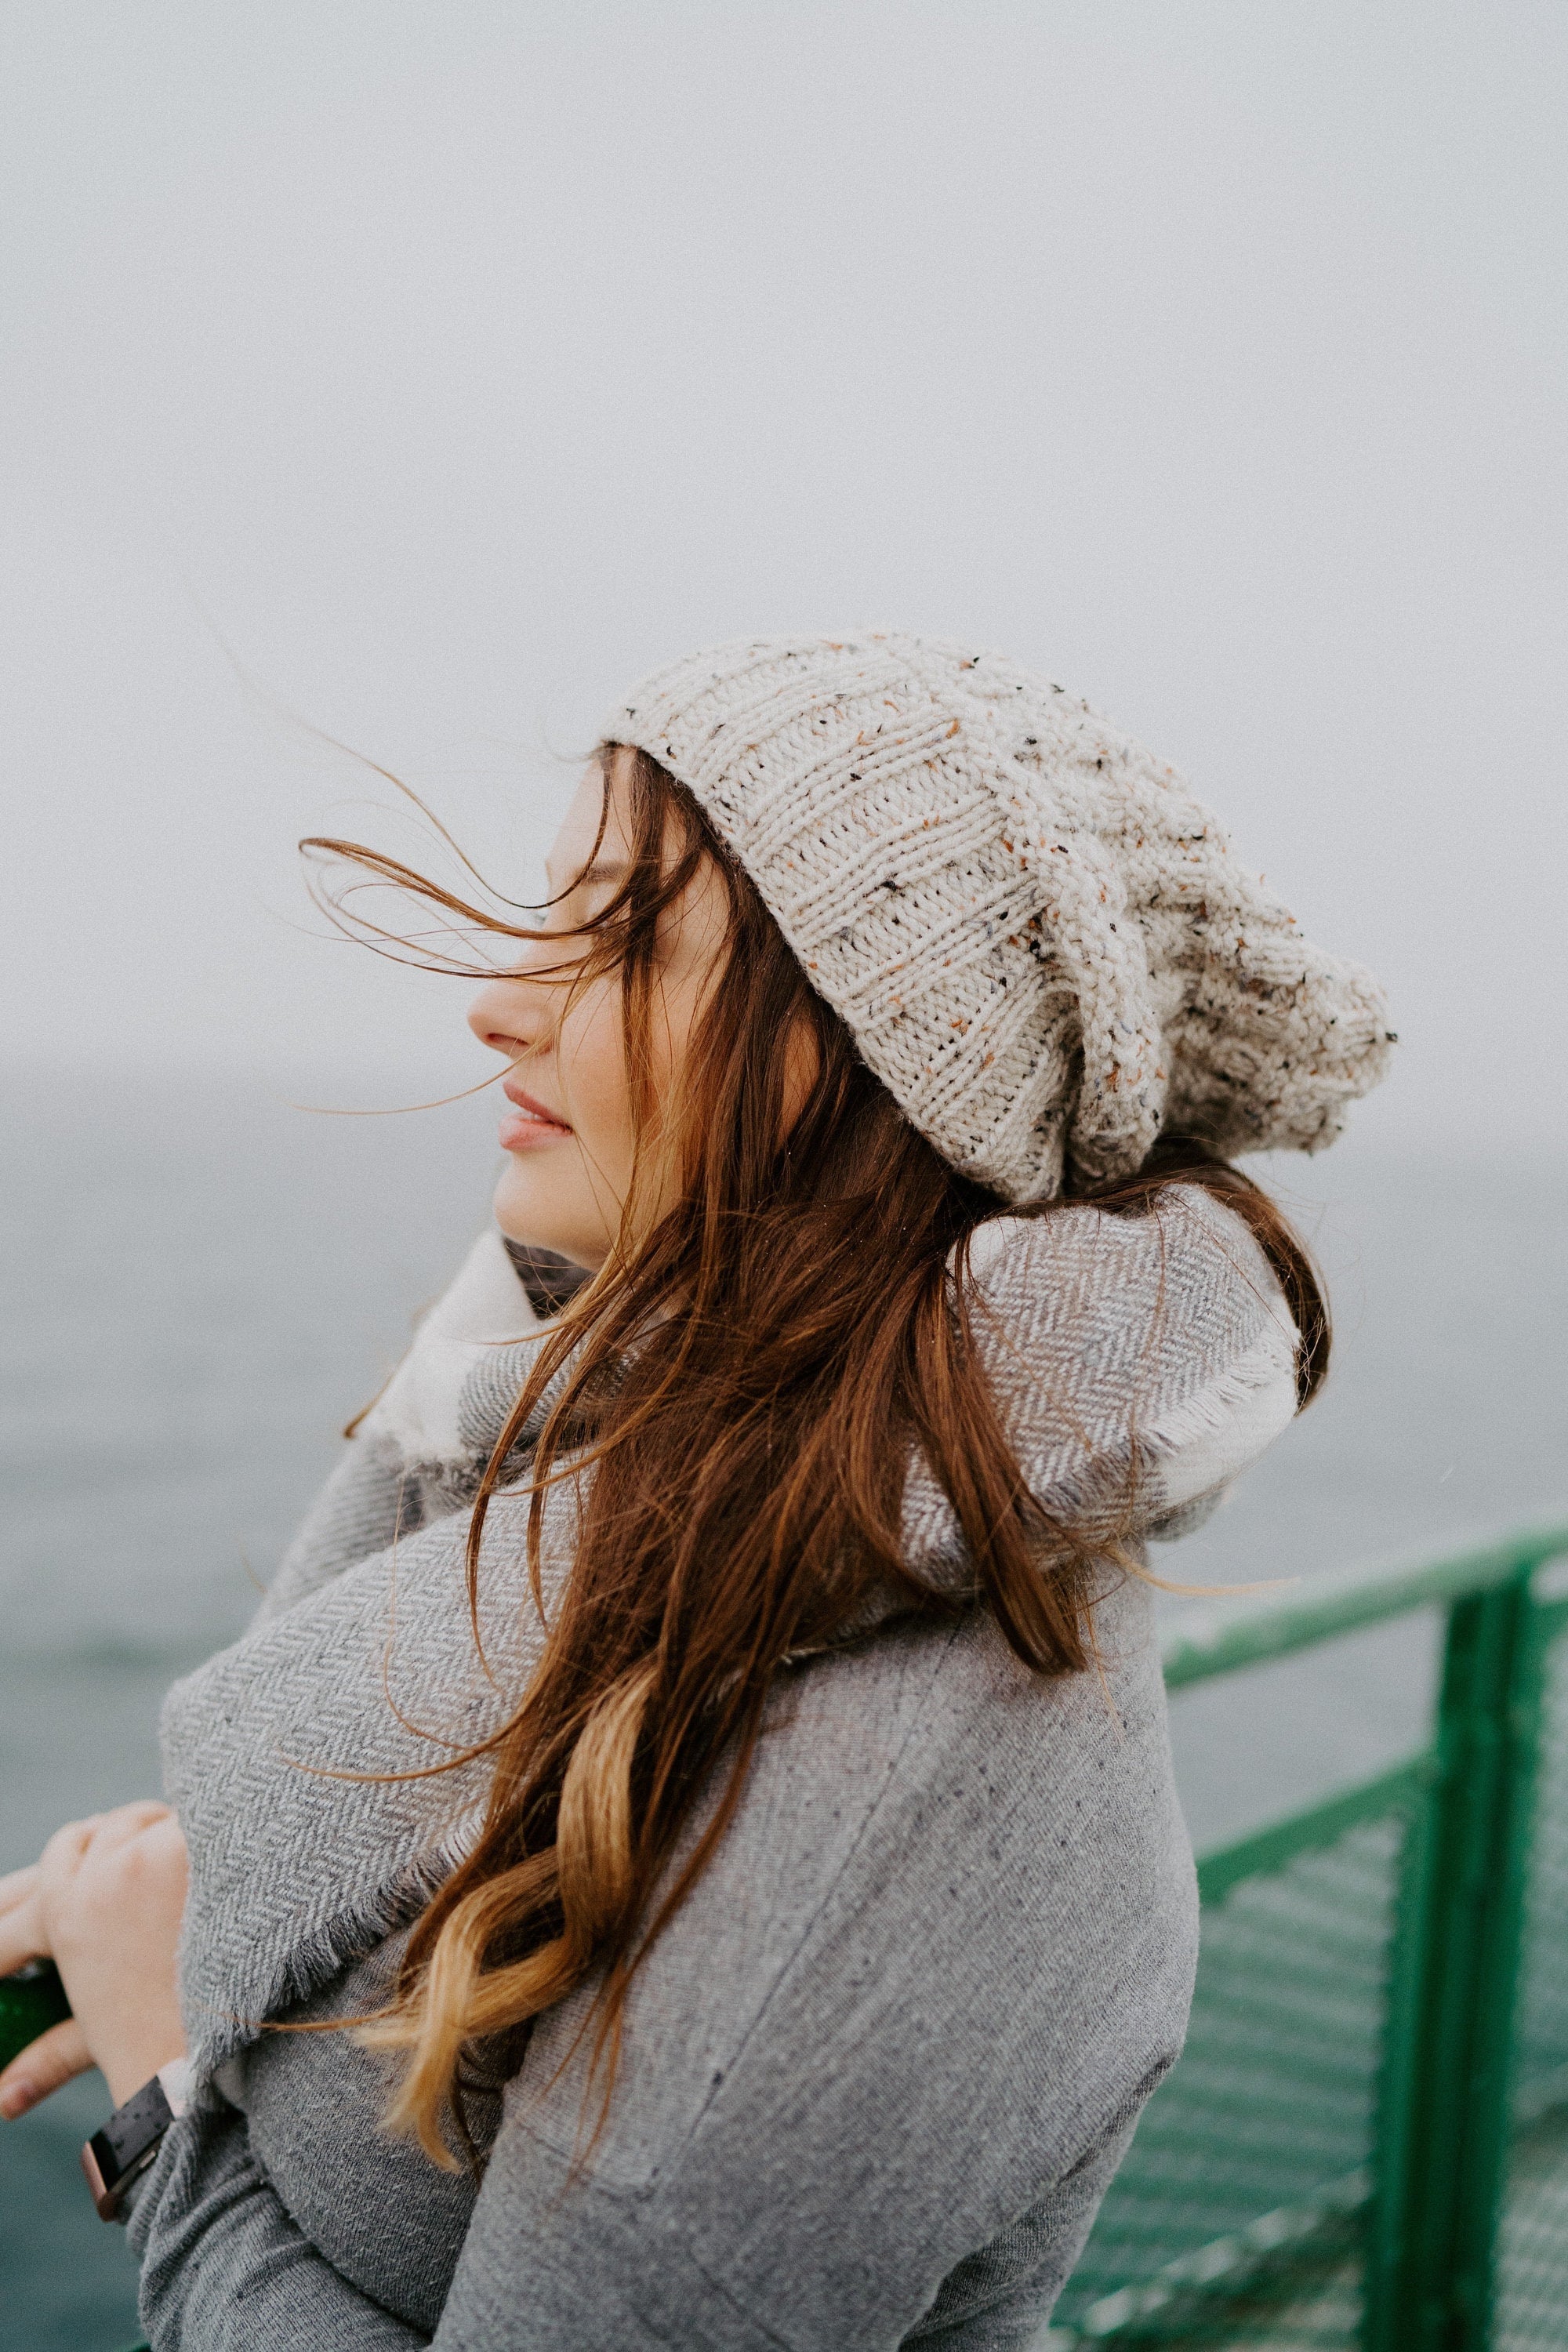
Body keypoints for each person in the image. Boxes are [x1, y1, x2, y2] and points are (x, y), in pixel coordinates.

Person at [0, 633, 1392, 2347]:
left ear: (886, 1064)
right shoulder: (639, 1467)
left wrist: (165, 2087)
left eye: (630, 941)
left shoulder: (890, 1784)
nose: (501, 998)